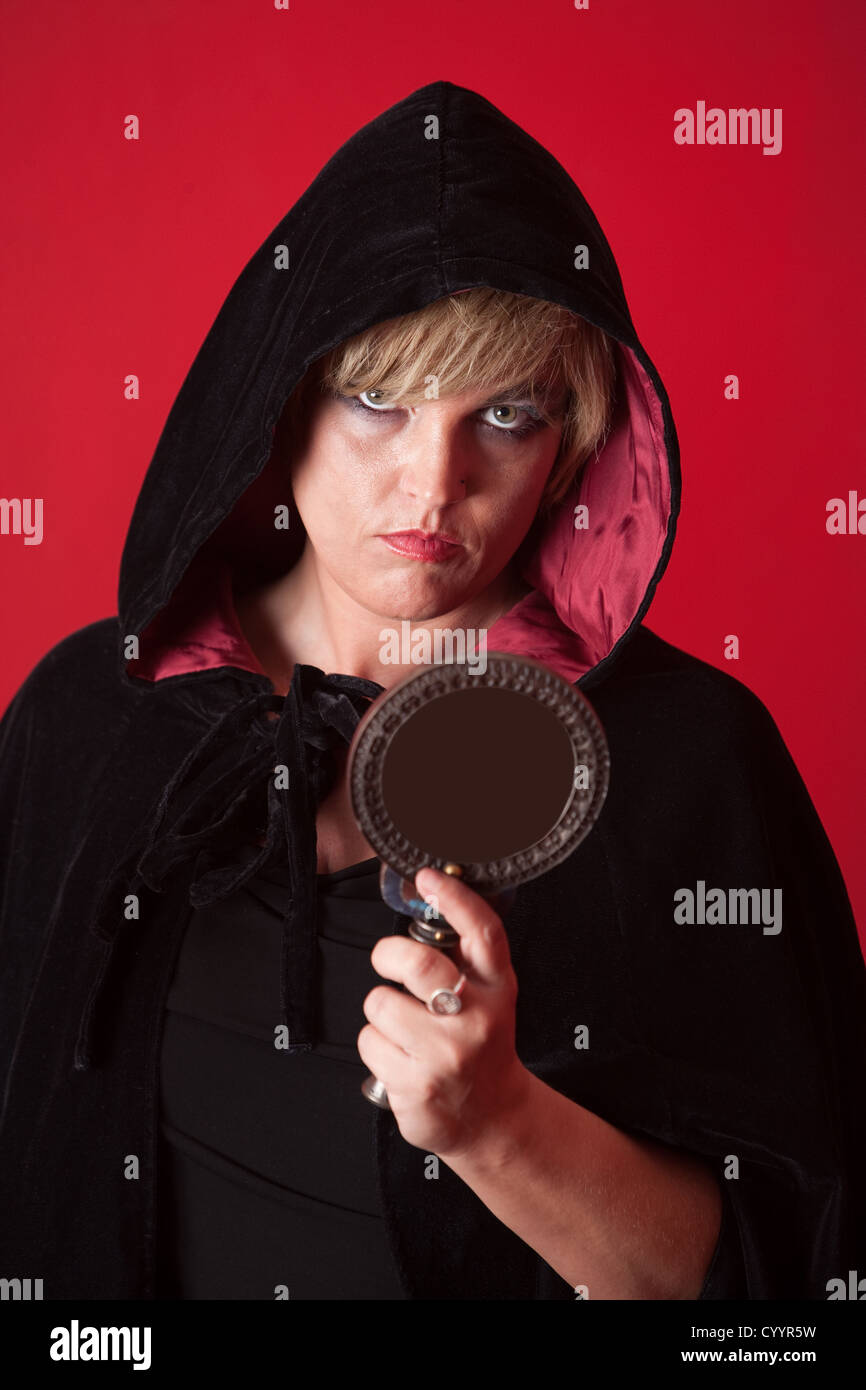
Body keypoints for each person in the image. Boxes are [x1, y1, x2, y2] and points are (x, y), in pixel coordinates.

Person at [1, 79, 864, 1301]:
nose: (433, 483)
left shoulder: (689, 761)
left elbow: (791, 1289)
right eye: (377, 403)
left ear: (572, 441)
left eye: (503, 416)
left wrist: (500, 1124)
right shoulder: (90, 717)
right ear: (281, 405)